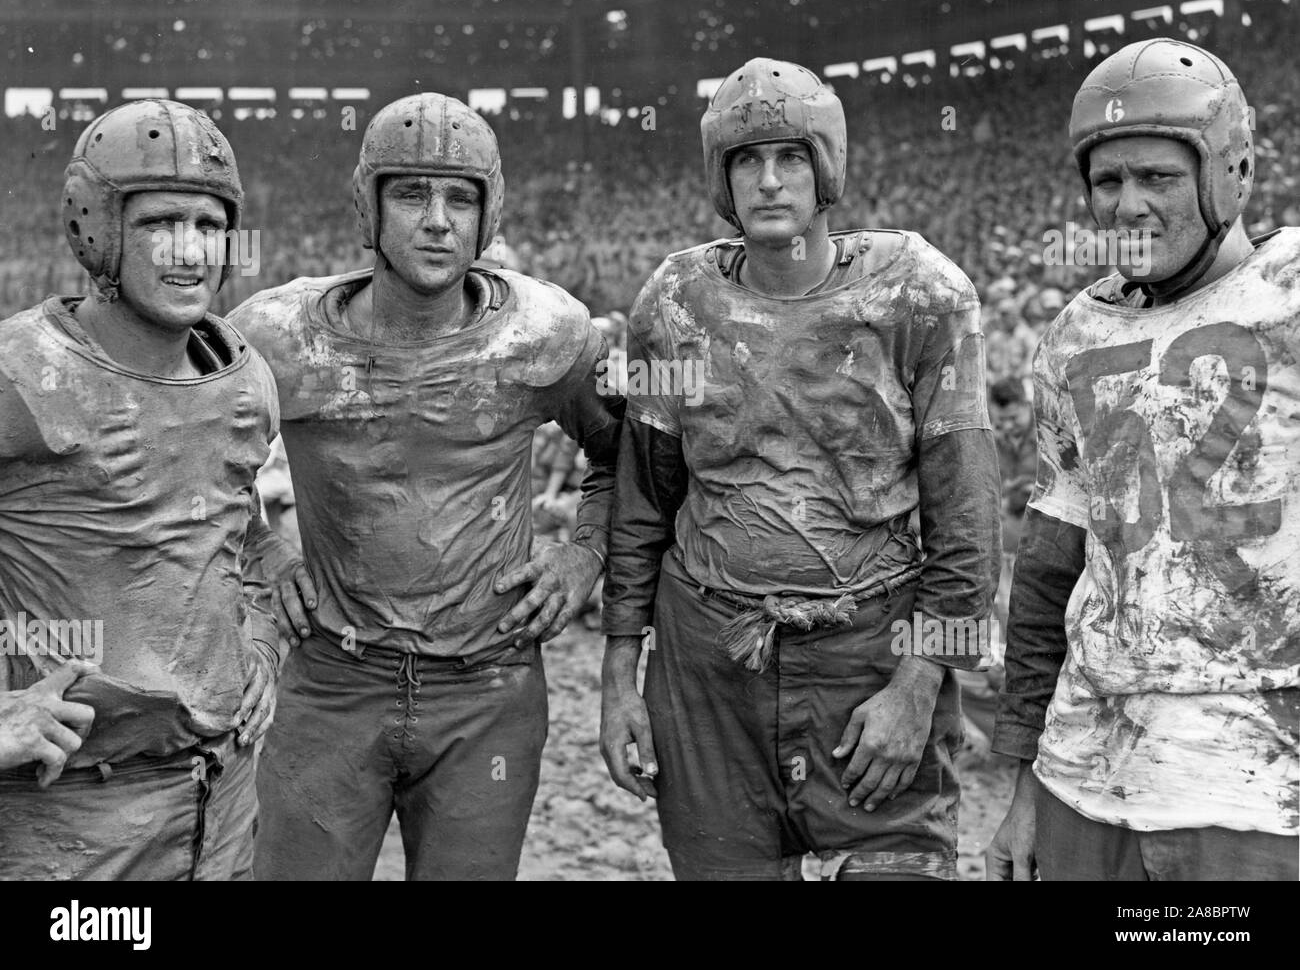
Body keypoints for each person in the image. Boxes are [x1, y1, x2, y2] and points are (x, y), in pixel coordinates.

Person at [599, 58, 1001, 880]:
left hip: (872, 652)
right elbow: (643, 501)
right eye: (747, 160)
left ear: (826, 168)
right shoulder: (677, 303)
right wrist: (618, 678)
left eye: (790, 157)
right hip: (710, 658)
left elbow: (968, 520)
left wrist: (920, 683)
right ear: (722, 177)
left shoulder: (917, 295)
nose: (770, 181)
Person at [230, 92, 623, 881]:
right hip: (331, 681)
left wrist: (584, 553)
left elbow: (629, 458)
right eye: (411, 193)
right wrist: (263, 555)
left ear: (489, 212)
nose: (438, 219)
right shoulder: (279, 336)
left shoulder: (547, 332)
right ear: (368, 206)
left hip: (488, 691)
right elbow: (199, 465)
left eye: (461, 197)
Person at [988, 38, 1299, 881]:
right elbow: (1051, 564)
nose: (1127, 205)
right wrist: (1021, 776)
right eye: (1108, 180)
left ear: (1227, 173)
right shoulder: (1076, 330)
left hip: (1253, 788)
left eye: (1158, 177)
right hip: (1085, 774)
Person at [0, 100, 282, 880]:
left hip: (218, 802)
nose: (190, 249)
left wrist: (259, 637)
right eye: (161, 222)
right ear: (98, 227)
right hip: (73, 815)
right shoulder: (24, 374)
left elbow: (245, 530)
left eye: (209, 222)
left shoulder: (245, 379)